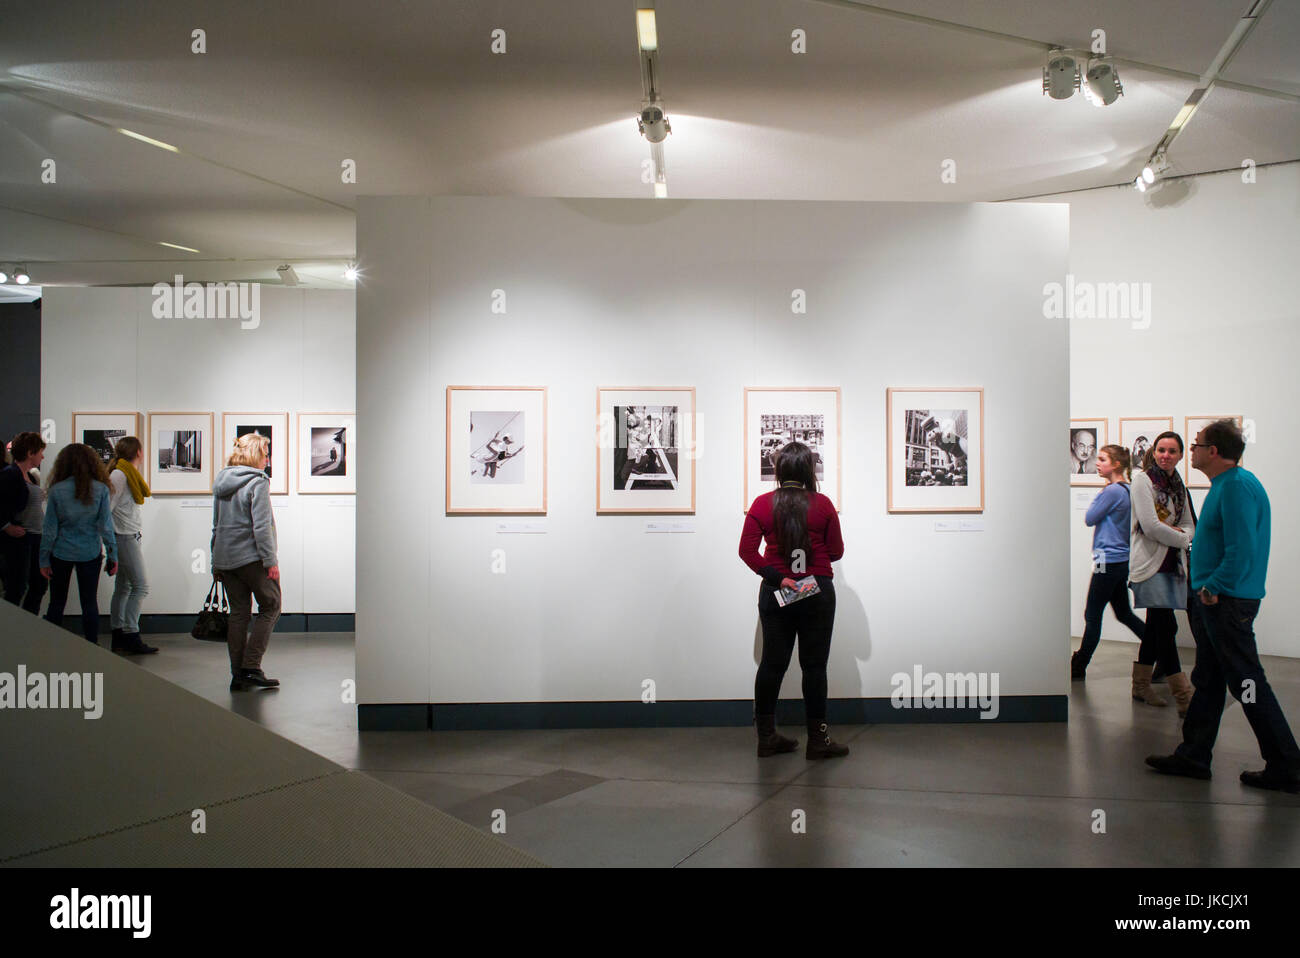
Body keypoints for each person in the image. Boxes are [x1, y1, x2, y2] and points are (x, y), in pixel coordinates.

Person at [1147, 421, 1300, 792]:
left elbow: (1242, 548)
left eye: (1196, 445)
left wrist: (1213, 585)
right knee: (1210, 679)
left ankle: (1286, 763)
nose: (1192, 451)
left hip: (1226, 601)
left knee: (1247, 681)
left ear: (1213, 451)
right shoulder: (1227, 485)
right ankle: (1194, 754)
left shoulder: (1236, 488)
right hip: (1220, 599)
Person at [738, 441, 848, 760]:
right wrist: (805, 572)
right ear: (808, 470)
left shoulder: (761, 504)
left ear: (780, 469)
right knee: (814, 666)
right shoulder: (823, 505)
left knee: (772, 664)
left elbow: (746, 552)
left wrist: (778, 577)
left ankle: (767, 738)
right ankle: (818, 740)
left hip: (778, 590)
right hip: (815, 589)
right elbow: (837, 551)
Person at [1127, 432, 1195, 714]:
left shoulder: (1179, 485)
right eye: (1161, 450)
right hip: (1149, 564)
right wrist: (1181, 538)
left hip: (1173, 565)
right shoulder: (1143, 480)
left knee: (1157, 625)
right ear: (1154, 453)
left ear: (1180, 455)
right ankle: (1183, 695)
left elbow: (1190, 523)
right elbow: (1150, 525)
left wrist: (1184, 535)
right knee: (1165, 626)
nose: (1166, 455)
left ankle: (1140, 686)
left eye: (1172, 451)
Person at [212, 432, 281, 691]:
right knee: (271, 606)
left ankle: (237, 674)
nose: (267, 458)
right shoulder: (258, 482)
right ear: (256, 454)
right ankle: (251, 667)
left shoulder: (222, 481)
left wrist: (214, 561)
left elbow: (216, 526)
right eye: (265, 453)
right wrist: (270, 560)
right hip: (252, 559)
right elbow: (262, 526)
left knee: (239, 614)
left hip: (226, 559)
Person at [1071, 445, 1145, 679]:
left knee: (1092, 614)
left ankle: (1078, 665)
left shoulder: (1112, 491)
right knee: (1124, 614)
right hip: (1120, 560)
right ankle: (1161, 650)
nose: (1098, 462)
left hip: (1106, 560)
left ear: (1116, 464)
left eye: (1102, 459)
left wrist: (1101, 495)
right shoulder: (1128, 489)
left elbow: (1089, 518)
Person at [40, 443, 117, 644]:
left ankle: (51, 645)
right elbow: (106, 527)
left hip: (60, 552)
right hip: (90, 552)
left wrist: (43, 559)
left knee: (56, 602)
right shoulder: (100, 490)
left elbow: (49, 529)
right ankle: (92, 646)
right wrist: (113, 555)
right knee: (90, 602)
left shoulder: (57, 490)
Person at [107, 437, 157, 655]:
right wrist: (110, 543)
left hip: (129, 535)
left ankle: (118, 635)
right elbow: (106, 509)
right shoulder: (119, 474)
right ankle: (130, 634)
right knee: (141, 586)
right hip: (124, 536)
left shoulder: (126, 473)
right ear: (138, 452)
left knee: (124, 587)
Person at [1, 432, 45, 607]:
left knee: (38, 585)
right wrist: (6, 526)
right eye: (40, 452)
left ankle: (27, 626)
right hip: (20, 540)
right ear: (30, 453)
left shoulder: (30, 475)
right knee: (17, 588)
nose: (42, 456)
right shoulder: (9, 474)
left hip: (33, 538)